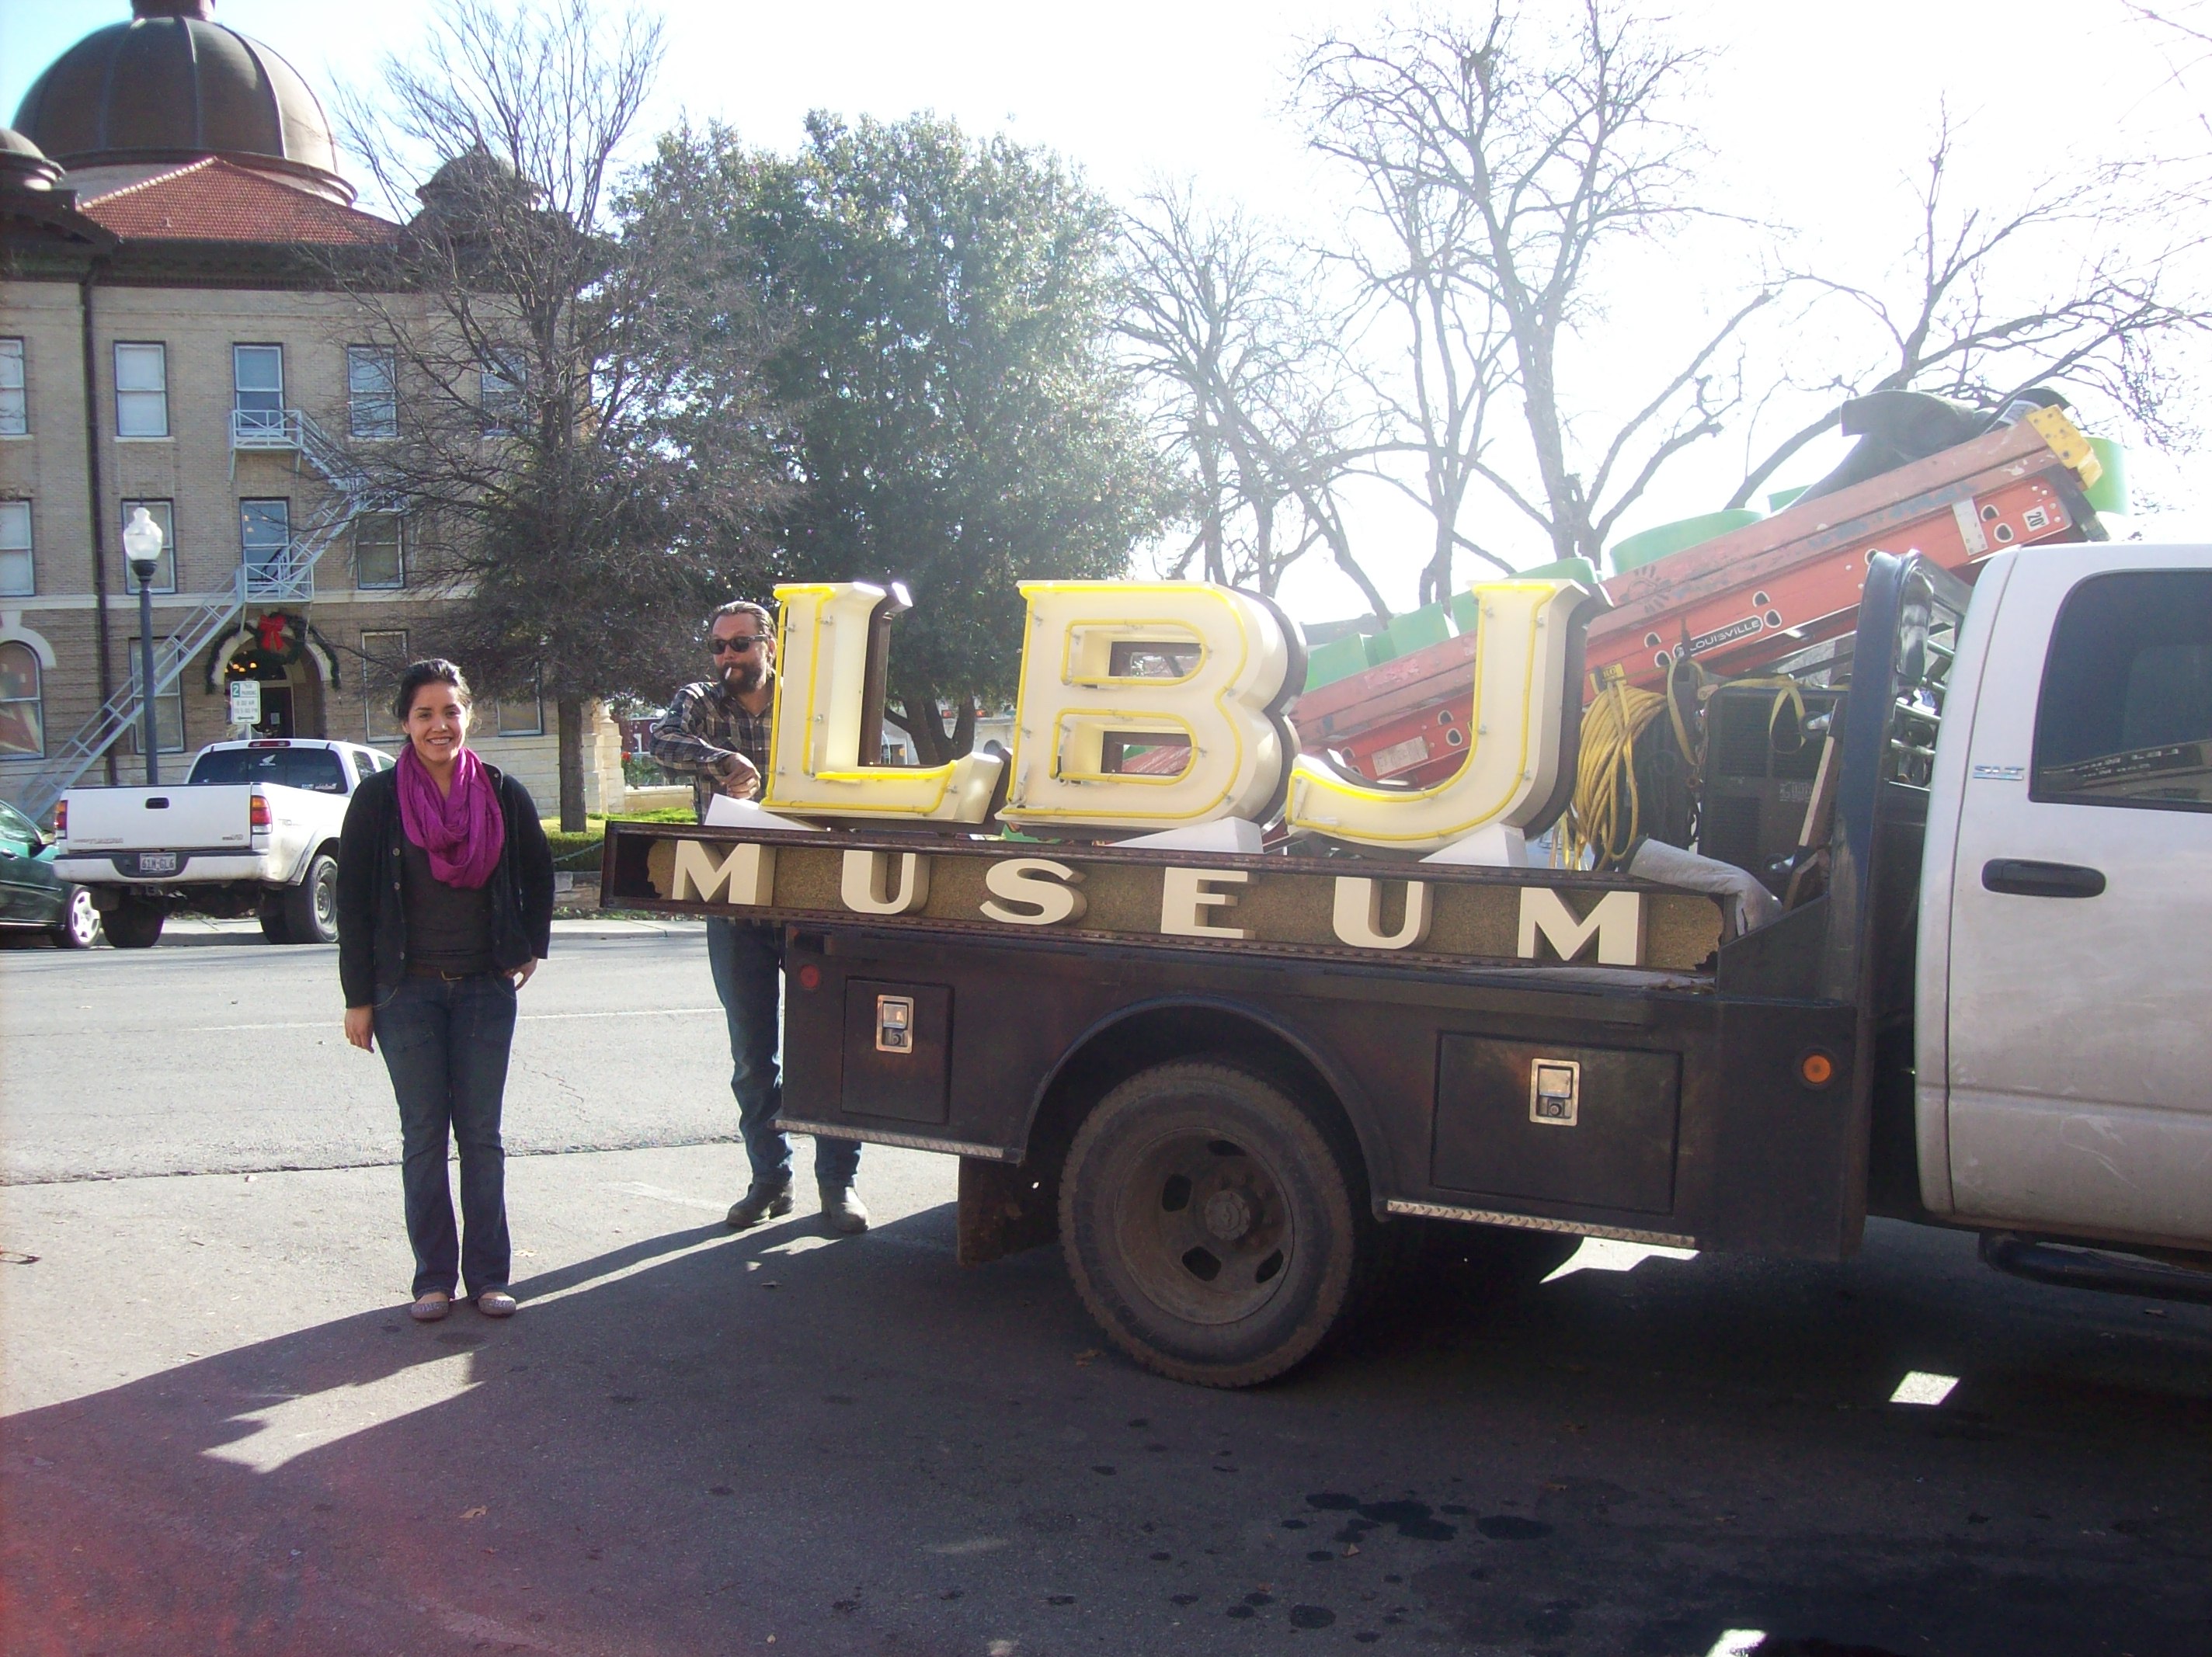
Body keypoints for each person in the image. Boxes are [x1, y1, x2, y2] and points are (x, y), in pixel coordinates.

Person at [336, 659, 555, 1322]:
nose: (439, 725)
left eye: (450, 712)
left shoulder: (499, 790)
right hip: (408, 994)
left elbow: (537, 872)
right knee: (424, 1137)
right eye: (425, 714)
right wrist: (359, 996)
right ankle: (433, 1277)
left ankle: (489, 1276)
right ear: (405, 723)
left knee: (482, 1136)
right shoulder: (377, 800)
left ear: (468, 717)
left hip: (485, 989)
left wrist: (530, 947)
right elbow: (352, 902)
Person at [651, 599, 868, 1235]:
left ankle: (839, 1184)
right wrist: (719, 761)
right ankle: (770, 1180)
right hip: (735, 899)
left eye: (740, 645)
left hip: (811, 896)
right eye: (718, 647)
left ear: (770, 646)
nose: (728, 659)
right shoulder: (699, 701)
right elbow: (661, 740)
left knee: (825, 1047)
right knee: (752, 1055)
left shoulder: (807, 703)